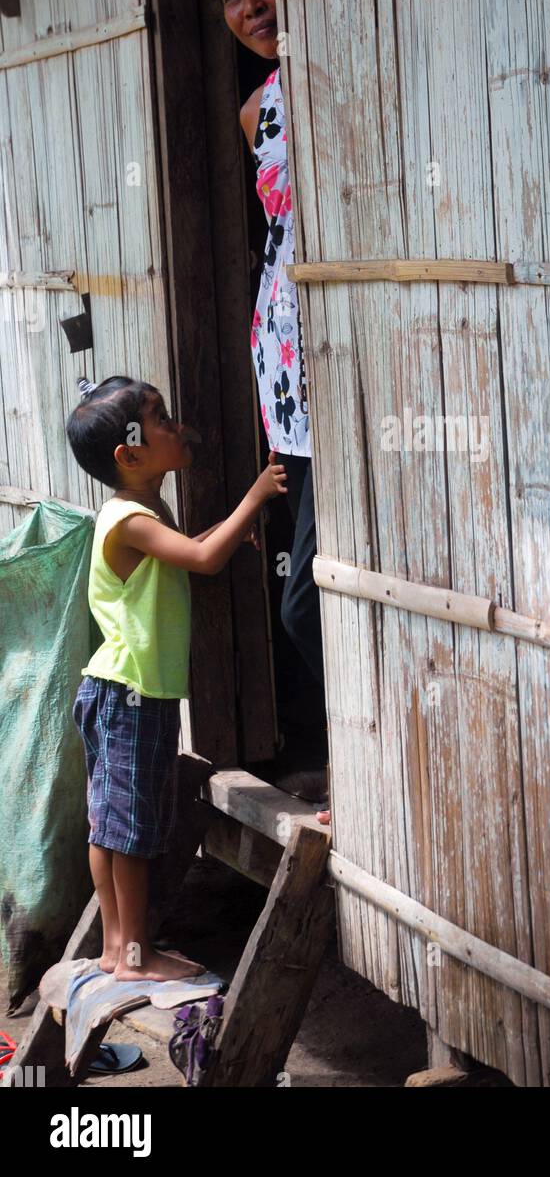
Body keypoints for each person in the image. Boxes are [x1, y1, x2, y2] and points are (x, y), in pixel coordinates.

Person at [66, 374, 287, 982]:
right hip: (132, 697)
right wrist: (258, 495)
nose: (175, 424)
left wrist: (224, 531)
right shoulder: (131, 519)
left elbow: (188, 549)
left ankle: (116, 949)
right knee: (130, 831)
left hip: (119, 693)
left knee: (110, 827)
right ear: (130, 454)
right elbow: (201, 560)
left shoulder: (134, 514)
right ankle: (134, 955)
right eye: (159, 417)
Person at [215, 0, 329, 822]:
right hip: (285, 373)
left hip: (342, 359)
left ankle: (352, 759)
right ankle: (342, 758)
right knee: (304, 585)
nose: (253, 6)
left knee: (307, 598)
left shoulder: (335, 71)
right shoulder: (254, 110)